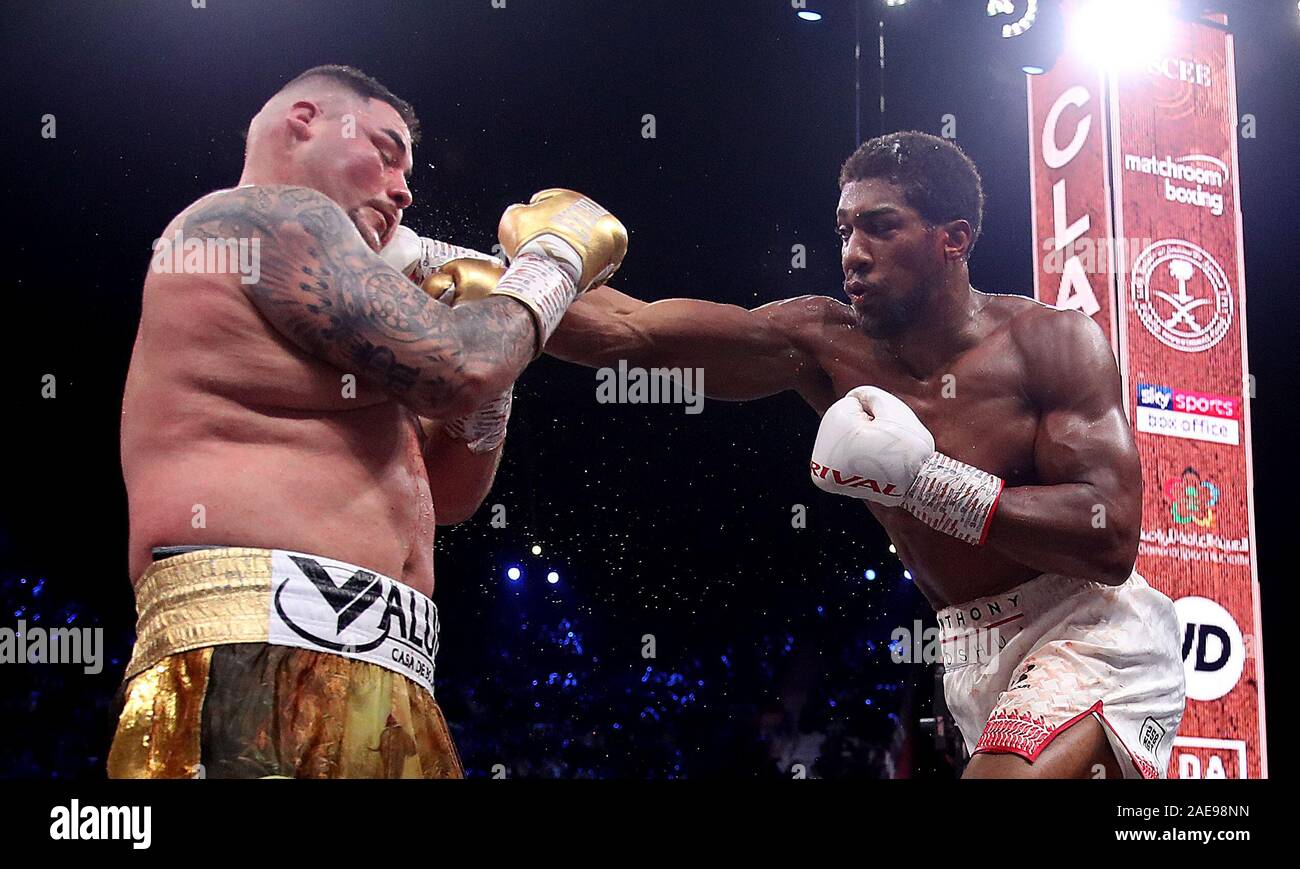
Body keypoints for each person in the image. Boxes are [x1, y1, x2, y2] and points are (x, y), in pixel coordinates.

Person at [547, 131, 1184, 778]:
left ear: (953, 239)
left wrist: (928, 481)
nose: (854, 254)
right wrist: (512, 275)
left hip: (1090, 628)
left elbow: (1110, 537)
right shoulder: (824, 344)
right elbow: (631, 333)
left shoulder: (1049, 343)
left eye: (881, 228)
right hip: (969, 646)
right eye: (845, 230)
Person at [111, 64, 626, 778]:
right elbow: (460, 365)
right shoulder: (257, 217)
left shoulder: (350, 311)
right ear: (304, 120)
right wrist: (553, 259)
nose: (404, 188)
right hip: (252, 653)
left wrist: (489, 387)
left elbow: (447, 495)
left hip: (391, 672)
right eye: (386, 151)